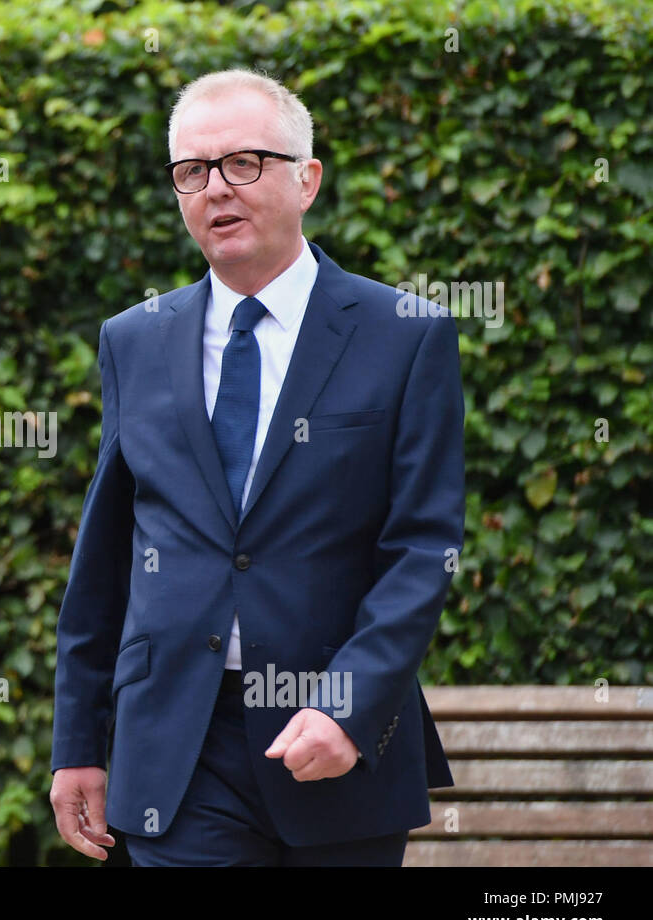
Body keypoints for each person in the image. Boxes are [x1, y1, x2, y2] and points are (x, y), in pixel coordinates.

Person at [49, 69, 463, 866]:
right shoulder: (133, 340)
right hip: (177, 750)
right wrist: (78, 743)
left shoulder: (405, 334)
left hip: (334, 745)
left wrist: (348, 706)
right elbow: (103, 560)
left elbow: (422, 549)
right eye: (192, 170)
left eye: (243, 162)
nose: (216, 188)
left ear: (307, 180)